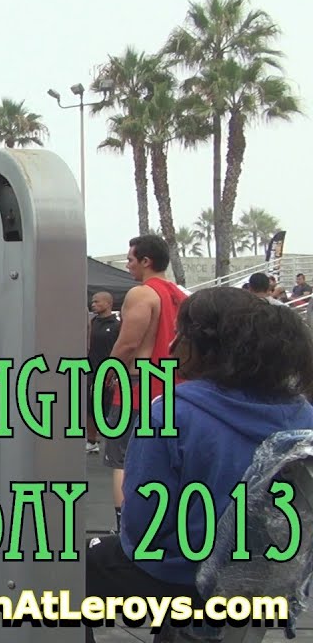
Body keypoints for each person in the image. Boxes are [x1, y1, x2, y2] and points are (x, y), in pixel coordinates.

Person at [84, 286, 313, 642]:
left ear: (206, 347)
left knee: (61, 570)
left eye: (181, 335)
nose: (173, 346)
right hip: (265, 577)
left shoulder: (172, 411)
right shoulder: (304, 415)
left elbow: (143, 527)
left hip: (182, 575)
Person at [106, 234, 188, 534]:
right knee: (162, 464)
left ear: (146, 261)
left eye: (130, 259)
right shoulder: (181, 295)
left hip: (138, 390)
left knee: (122, 461)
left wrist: (108, 374)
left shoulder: (142, 295)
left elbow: (128, 344)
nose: (127, 265)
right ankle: (162, 529)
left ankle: (123, 530)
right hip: (172, 391)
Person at [87, 291, 121, 454]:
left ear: (108, 303)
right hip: (91, 371)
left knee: (108, 408)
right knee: (90, 407)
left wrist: (114, 374)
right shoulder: (92, 322)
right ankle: (91, 441)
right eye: (92, 302)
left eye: (97, 302)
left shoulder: (116, 325)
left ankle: (115, 443)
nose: (93, 304)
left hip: (109, 372)